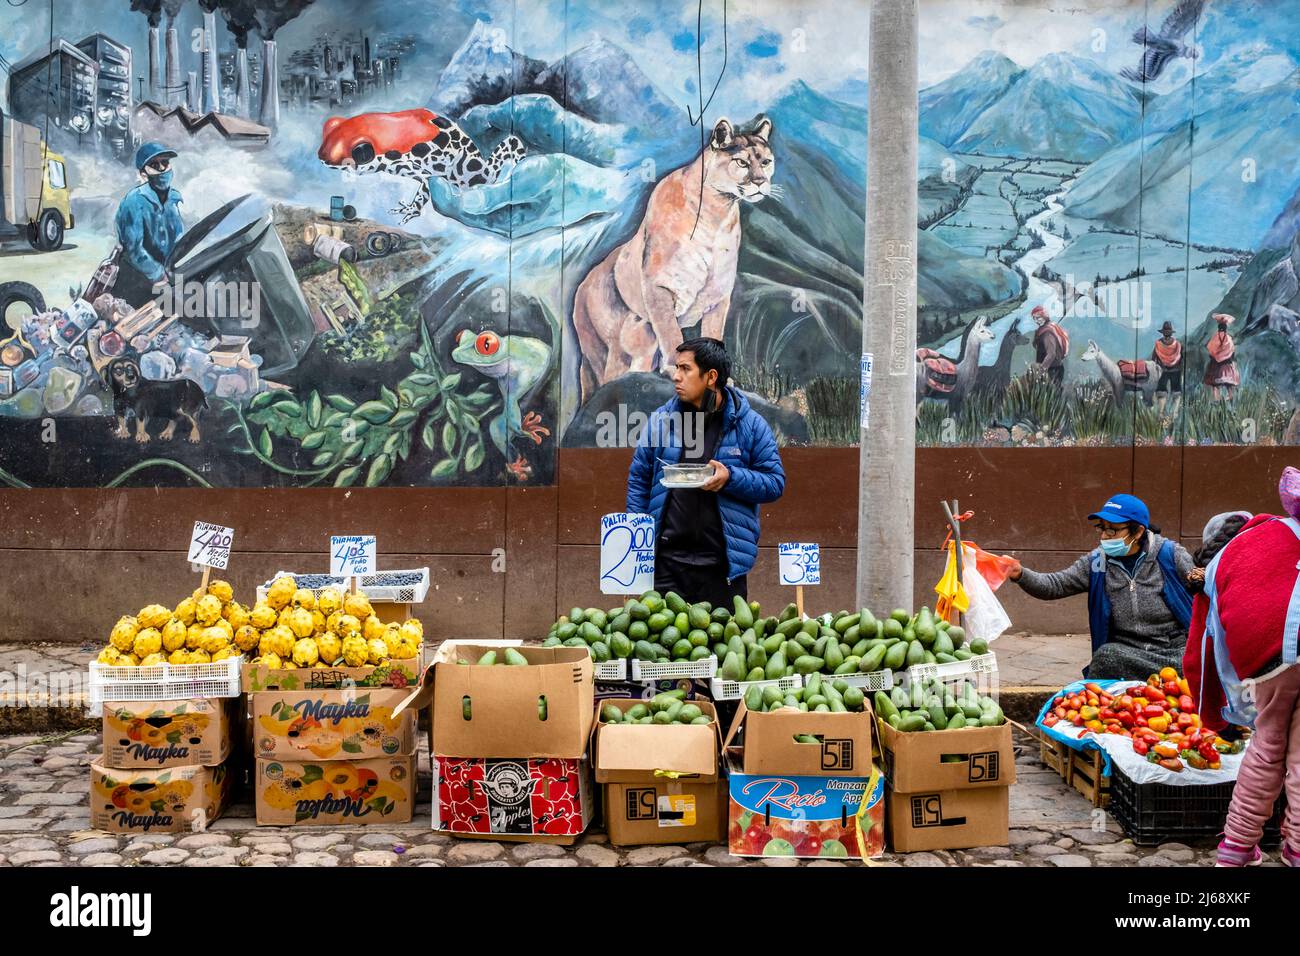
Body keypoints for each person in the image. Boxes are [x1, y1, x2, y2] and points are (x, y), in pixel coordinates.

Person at [1184, 468, 1300, 868]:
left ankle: (1235, 848)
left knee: (1266, 746)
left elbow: (1201, 652)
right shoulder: (1275, 535)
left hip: (1266, 662)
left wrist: (1214, 717)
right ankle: (1297, 849)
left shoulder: (1240, 551)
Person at [626, 337, 785, 608]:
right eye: (677, 368)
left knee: (722, 649)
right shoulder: (661, 421)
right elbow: (639, 480)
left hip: (722, 569)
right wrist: (638, 545)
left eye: (685, 369)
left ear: (711, 377)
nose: (676, 376)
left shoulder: (751, 425)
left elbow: (774, 482)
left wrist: (731, 478)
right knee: (663, 648)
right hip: (666, 566)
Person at [1003, 493, 1193, 678]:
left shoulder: (1171, 555)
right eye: (1101, 528)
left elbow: (1205, 593)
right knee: (1105, 657)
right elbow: (1056, 585)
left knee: (1190, 661)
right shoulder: (1097, 562)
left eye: (1112, 530)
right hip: (1126, 653)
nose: (1104, 536)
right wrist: (1020, 574)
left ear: (1139, 531)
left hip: (1171, 651)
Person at [113, 142, 185, 308]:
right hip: (135, 282)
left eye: (165, 163)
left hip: (165, 280)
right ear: (143, 173)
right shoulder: (133, 201)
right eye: (154, 165)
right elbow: (134, 250)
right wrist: (159, 275)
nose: (161, 169)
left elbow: (179, 239)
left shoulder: (174, 198)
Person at [1203, 312, 1240, 403]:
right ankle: (1231, 397)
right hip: (1226, 363)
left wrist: (1216, 356)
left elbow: (1210, 348)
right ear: (1226, 328)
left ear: (1219, 328)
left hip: (1216, 363)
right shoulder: (1228, 338)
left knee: (1215, 384)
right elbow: (1231, 350)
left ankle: (1216, 399)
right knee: (1229, 383)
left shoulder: (1214, 337)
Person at [1031, 304, 1069, 389]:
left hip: (1052, 370)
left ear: (1044, 316)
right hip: (1053, 369)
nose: (1036, 320)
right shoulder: (1047, 328)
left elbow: (1051, 354)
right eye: (1034, 318)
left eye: (1038, 317)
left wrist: (1041, 371)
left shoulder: (1047, 333)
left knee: (1051, 397)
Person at [1151, 321, 1183, 416]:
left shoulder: (1158, 344)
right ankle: (1175, 413)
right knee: (1176, 391)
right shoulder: (1177, 344)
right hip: (1176, 370)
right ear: (1171, 333)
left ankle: (1161, 413)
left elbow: (1154, 359)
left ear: (1163, 333)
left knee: (1161, 391)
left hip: (1162, 371)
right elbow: (1181, 358)